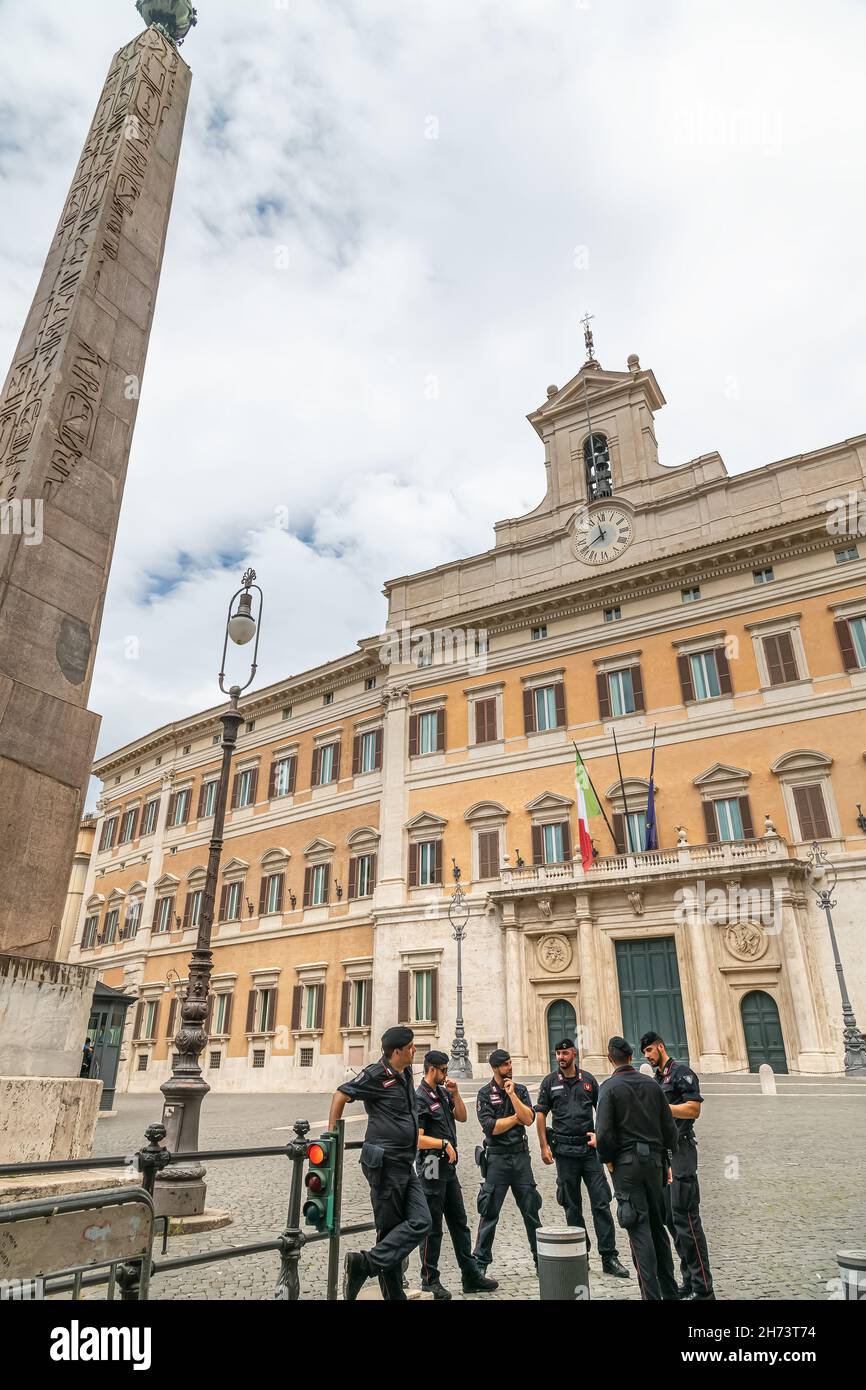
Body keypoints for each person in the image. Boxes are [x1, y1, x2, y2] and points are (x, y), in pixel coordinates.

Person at [329, 1025, 432, 1301]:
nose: (415, 1049)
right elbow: (340, 1094)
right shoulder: (376, 1074)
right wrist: (332, 1137)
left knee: (422, 1221)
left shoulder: (407, 1072)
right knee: (388, 1232)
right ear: (396, 1051)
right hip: (384, 1164)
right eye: (410, 1046)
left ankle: (364, 1263)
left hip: (405, 1163)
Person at [535, 1038, 629, 1279]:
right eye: (558, 1053)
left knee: (601, 1203)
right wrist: (544, 1146)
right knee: (571, 1206)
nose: (561, 1057)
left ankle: (609, 1256)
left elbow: (603, 1111)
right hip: (564, 1154)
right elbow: (541, 1115)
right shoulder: (549, 1083)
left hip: (590, 1153)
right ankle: (581, 1254)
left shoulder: (588, 1080)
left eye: (565, 1053)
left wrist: (601, 1136)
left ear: (574, 1054)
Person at [595, 1035, 679, 1301]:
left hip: (627, 1168)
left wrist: (608, 1162)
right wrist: (666, 1161)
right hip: (655, 1165)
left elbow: (604, 1133)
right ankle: (670, 1293)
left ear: (611, 1059)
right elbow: (670, 1130)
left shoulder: (609, 1087)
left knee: (638, 1230)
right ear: (632, 1057)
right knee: (658, 1228)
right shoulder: (652, 1085)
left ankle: (651, 1297)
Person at [415, 1050, 498, 1298]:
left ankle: (470, 1275)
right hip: (430, 1163)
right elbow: (416, 1139)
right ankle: (429, 1280)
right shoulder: (420, 1098)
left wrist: (456, 1093)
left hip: (447, 1166)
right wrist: (442, 1144)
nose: (446, 1074)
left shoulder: (442, 1092)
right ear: (432, 1069)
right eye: (443, 1070)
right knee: (433, 1225)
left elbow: (461, 1117)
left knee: (459, 1222)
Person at [640, 1030, 715, 1301]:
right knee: (672, 1220)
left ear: (660, 1047)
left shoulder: (682, 1073)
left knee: (687, 1219)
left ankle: (704, 1289)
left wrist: (664, 1108)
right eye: (644, 1052)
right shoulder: (658, 1079)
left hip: (682, 1150)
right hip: (664, 1154)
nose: (647, 1056)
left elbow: (693, 1109)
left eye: (649, 1050)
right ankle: (689, 1279)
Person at [473, 1048, 542, 1274]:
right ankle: (480, 1264)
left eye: (511, 1063)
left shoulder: (520, 1090)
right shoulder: (484, 1094)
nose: (510, 1068)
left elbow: (530, 1119)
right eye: (505, 1065)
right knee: (489, 1213)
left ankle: (542, 1261)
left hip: (521, 1158)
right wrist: (515, 1118)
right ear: (494, 1068)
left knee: (531, 1211)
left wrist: (512, 1096)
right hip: (497, 1159)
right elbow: (491, 1127)